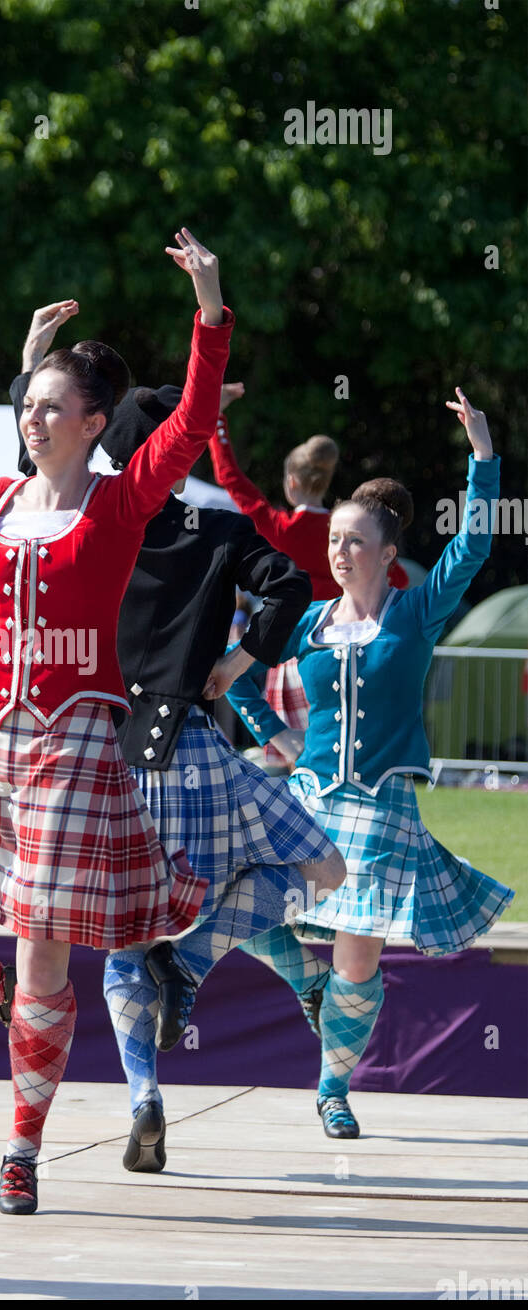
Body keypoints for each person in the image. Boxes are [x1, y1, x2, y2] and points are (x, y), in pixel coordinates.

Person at [0, 229, 233, 1215]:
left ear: (94, 422)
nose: (31, 420)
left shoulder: (117, 505)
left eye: (47, 408)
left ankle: (21, 1145)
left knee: (41, 948)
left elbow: (195, 421)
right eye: (24, 407)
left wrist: (208, 307)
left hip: (75, 745)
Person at [7, 317, 344, 1173]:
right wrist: (234, 662)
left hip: (98, 763)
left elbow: (32, 467)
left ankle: (144, 1097)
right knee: (318, 870)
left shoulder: (85, 522)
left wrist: (28, 365)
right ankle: (189, 959)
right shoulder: (216, 532)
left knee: (121, 946)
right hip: (188, 750)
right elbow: (293, 586)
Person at [220, 390, 514, 1138]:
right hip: (310, 800)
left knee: (357, 960)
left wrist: (481, 459)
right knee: (236, 904)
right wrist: (272, 737)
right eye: (334, 540)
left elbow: (472, 547)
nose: (338, 550)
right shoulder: (311, 621)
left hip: (381, 810)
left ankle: (332, 1088)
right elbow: (238, 676)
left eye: (354, 541)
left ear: (387, 554)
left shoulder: (414, 613)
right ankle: (304, 979)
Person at [208, 389, 409, 767]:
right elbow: (398, 577)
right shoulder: (351, 532)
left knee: (294, 769)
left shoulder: (281, 528)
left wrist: (217, 419)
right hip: (351, 652)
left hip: (295, 649)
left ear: (292, 482)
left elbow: (229, 476)